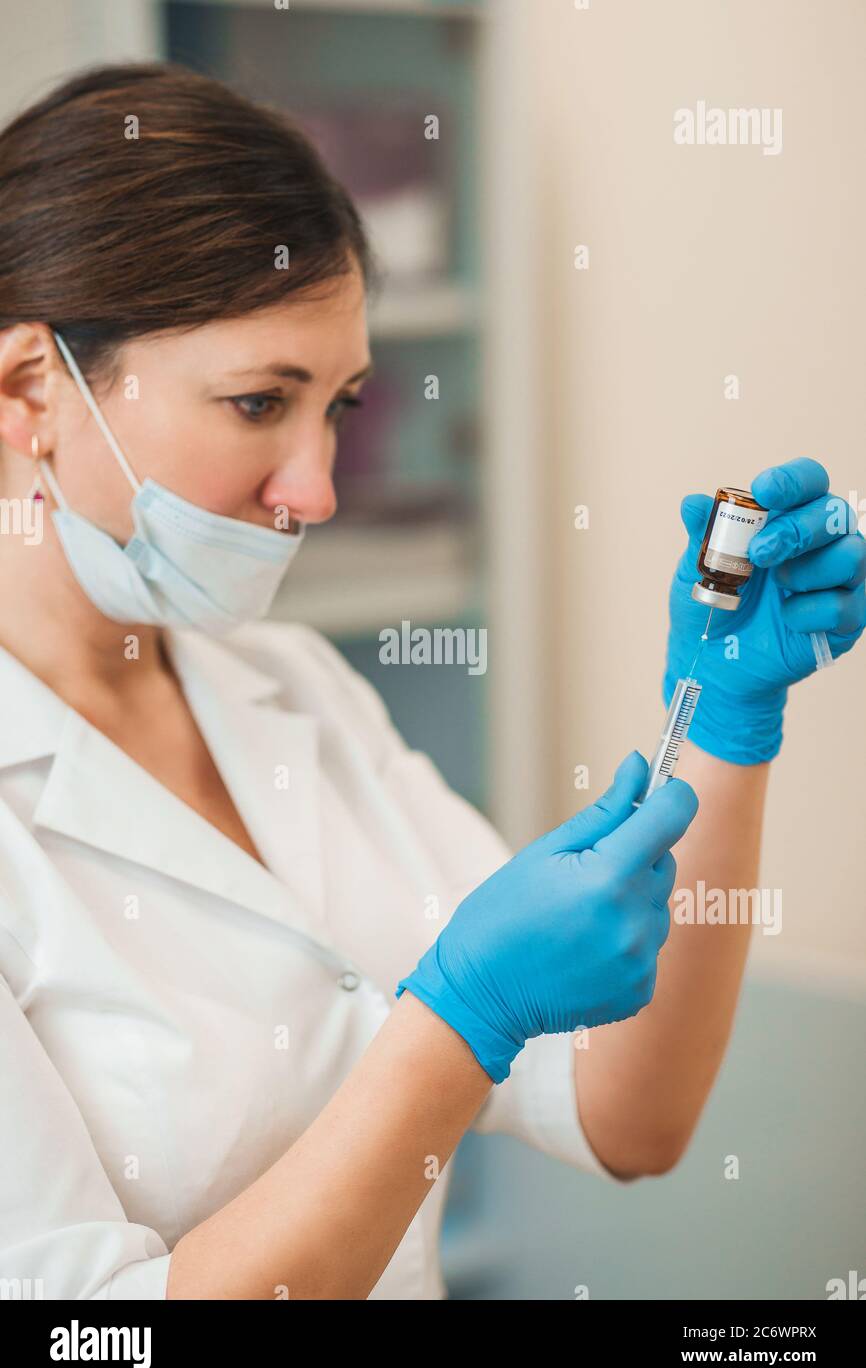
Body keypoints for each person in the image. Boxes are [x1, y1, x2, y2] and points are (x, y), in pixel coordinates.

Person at [0, 64, 862, 1303]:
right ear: (31, 388)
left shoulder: (296, 691)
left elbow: (627, 1111)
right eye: (258, 402)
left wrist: (725, 729)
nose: (315, 490)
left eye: (337, 406)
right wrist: (459, 1021)